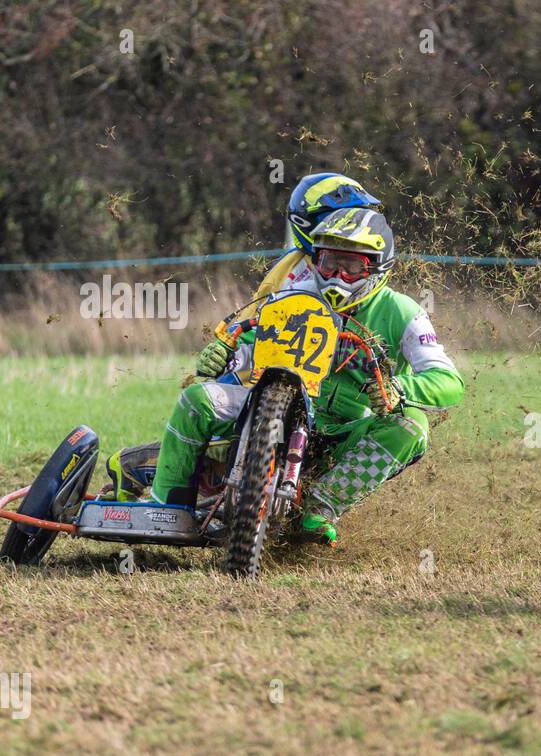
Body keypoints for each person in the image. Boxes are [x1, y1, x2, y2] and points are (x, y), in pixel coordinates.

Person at [144, 207, 463, 546]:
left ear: (377, 267)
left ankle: (320, 507)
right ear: (315, 260)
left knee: (412, 424)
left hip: (342, 436)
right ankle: (165, 507)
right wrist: (227, 352)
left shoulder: (402, 311)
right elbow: (253, 340)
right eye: (329, 262)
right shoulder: (297, 291)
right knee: (196, 400)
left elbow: (448, 381)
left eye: (352, 266)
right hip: (274, 411)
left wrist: (400, 388)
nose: (338, 275)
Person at [103, 172, 382, 500]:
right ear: (315, 226)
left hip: (322, 400)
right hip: (266, 380)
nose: (357, 227)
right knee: (218, 442)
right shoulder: (290, 272)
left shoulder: (367, 275)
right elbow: (252, 324)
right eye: (347, 219)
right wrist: (228, 346)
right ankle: (138, 469)